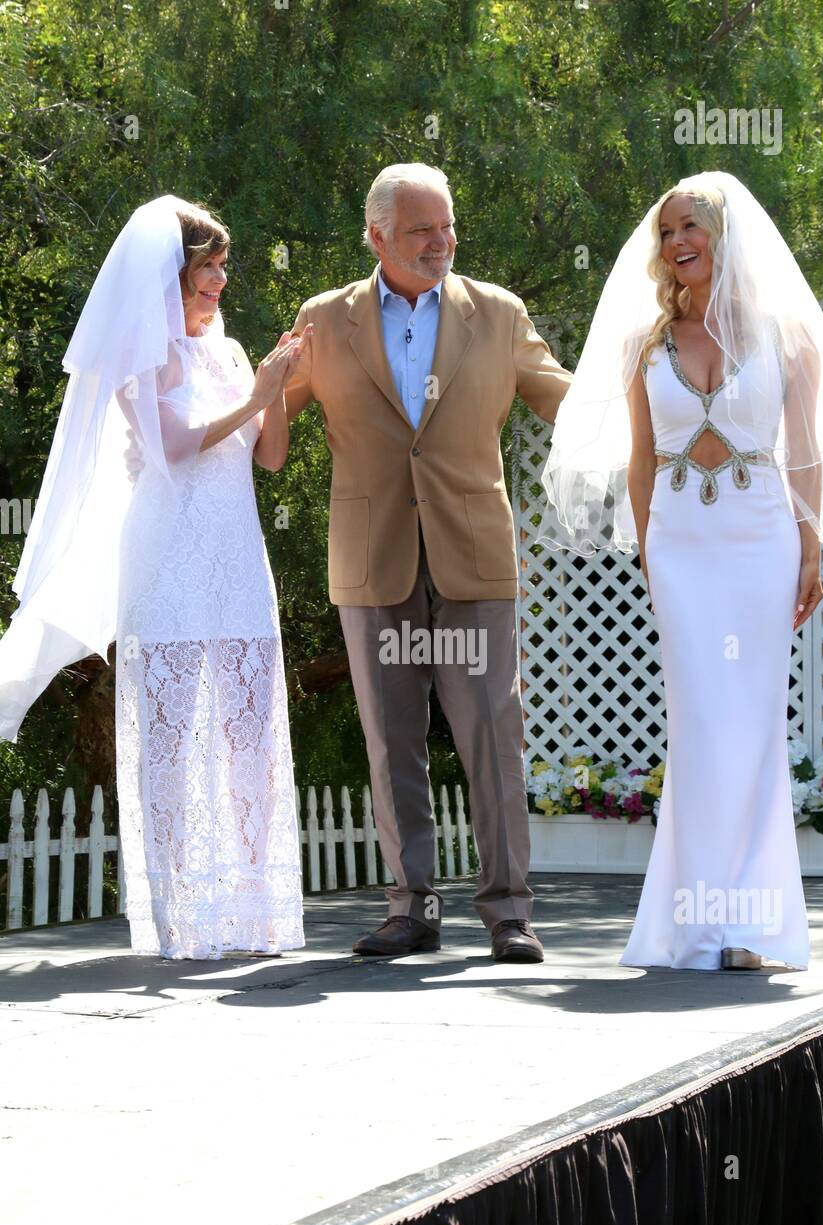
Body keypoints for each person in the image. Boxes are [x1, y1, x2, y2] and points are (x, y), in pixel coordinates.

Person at [536, 171, 823, 971]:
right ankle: (693, 919)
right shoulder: (641, 344)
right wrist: (651, 552)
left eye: (691, 227)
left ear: (724, 234)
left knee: (752, 722)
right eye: (666, 232)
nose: (678, 242)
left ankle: (750, 924)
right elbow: (642, 461)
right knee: (699, 725)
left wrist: (810, 539)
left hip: (762, 537)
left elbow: (804, 453)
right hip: (682, 545)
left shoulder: (786, 334)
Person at [0, 195, 311, 960]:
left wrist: (283, 392)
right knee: (171, 738)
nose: (220, 280)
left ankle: (254, 911)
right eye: (207, 267)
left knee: (250, 729)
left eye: (221, 267)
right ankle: (181, 918)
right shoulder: (141, 359)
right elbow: (172, 451)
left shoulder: (234, 355)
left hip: (237, 555)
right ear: (172, 276)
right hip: (167, 554)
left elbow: (268, 457)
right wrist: (259, 396)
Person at [282, 163, 573, 962]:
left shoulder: (500, 314)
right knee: (391, 741)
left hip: (473, 557)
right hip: (373, 560)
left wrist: (663, 397)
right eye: (421, 230)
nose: (441, 241)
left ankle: (508, 912)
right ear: (376, 235)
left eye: (446, 226)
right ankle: (413, 909)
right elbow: (266, 419)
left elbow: (566, 400)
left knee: (490, 731)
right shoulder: (323, 319)